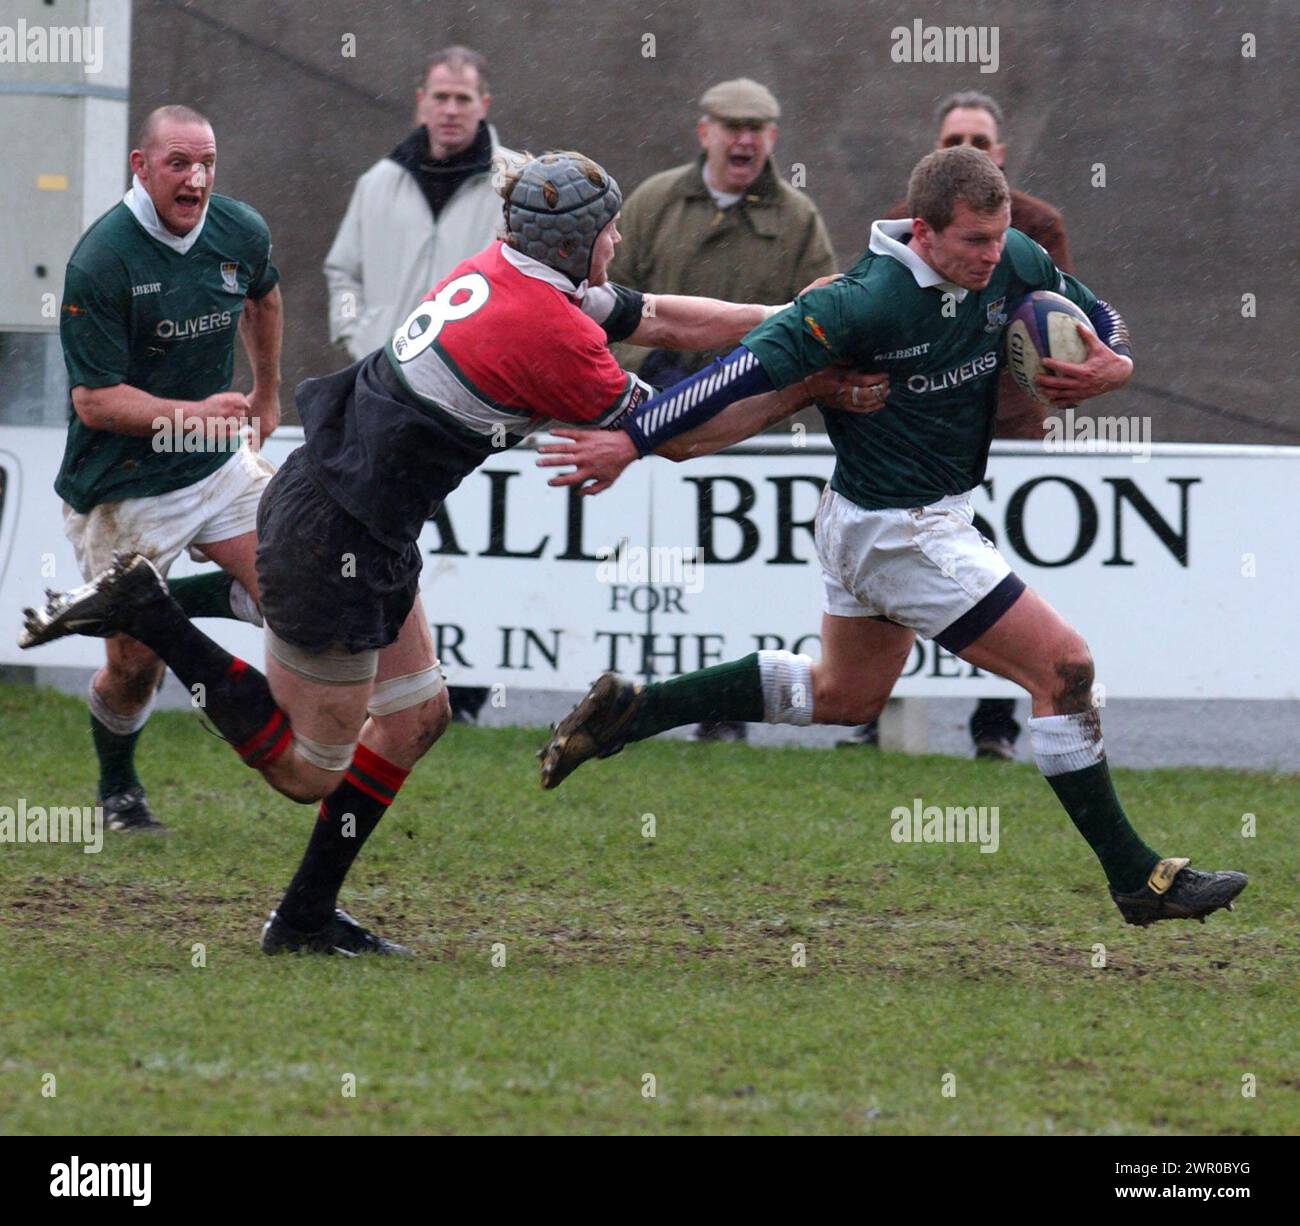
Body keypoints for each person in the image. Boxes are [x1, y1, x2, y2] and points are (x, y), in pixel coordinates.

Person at [22, 152, 880, 955]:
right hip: (336, 534)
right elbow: (683, 434)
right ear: (578, 244)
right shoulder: (552, 331)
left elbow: (656, 314)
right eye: (611, 232)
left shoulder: (513, 271)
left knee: (416, 718)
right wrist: (807, 381)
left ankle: (305, 916)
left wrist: (790, 321)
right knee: (306, 770)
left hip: (355, 514)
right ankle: (153, 614)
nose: (618, 244)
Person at [535, 146, 1247, 930]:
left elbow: (1090, 315)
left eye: (998, 235)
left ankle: (637, 713)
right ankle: (1136, 878)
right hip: (897, 530)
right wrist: (631, 440)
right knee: (1065, 667)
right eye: (973, 241)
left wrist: (1112, 363)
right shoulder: (859, 302)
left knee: (845, 696)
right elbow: (737, 375)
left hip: (881, 518)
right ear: (922, 232)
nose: (990, 256)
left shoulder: (1009, 256)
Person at [44, 104, 281, 832]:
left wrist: (266, 394)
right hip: (122, 487)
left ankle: (152, 601)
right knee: (135, 666)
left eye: (207, 162)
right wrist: (185, 416)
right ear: (140, 168)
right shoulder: (103, 259)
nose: (198, 178)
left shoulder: (238, 229)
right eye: (179, 163)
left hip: (215, 466)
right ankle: (118, 789)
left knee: (294, 588)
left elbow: (263, 297)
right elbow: (94, 402)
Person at [839, 89, 1077, 758]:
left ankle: (993, 727)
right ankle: (870, 711)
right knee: (904, 568)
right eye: (954, 143)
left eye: (979, 143)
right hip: (917, 436)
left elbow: (1056, 326)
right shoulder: (900, 224)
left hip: (1009, 434)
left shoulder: (1035, 227)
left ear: (1000, 156)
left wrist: (1099, 364)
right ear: (934, 154)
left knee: (998, 576)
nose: (968, 153)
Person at [611, 76, 836, 742]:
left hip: (751, 428)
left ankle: (723, 709)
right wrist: (630, 382)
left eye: (757, 128)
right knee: (649, 566)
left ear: (773, 138)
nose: (744, 140)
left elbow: (821, 319)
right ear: (703, 131)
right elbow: (607, 302)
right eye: (730, 126)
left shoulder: (799, 221)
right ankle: (634, 694)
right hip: (648, 416)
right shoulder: (652, 201)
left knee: (738, 576)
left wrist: (774, 397)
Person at [324, 45, 519, 726]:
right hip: (383, 393)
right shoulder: (378, 182)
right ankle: (399, 677)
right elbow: (340, 273)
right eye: (440, 96)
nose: (450, 110)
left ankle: (461, 685)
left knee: (468, 549)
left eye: (464, 98)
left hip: (475, 400)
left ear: (484, 106)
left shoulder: (514, 182)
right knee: (391, 538)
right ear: (420, 101)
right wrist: (359, 337)